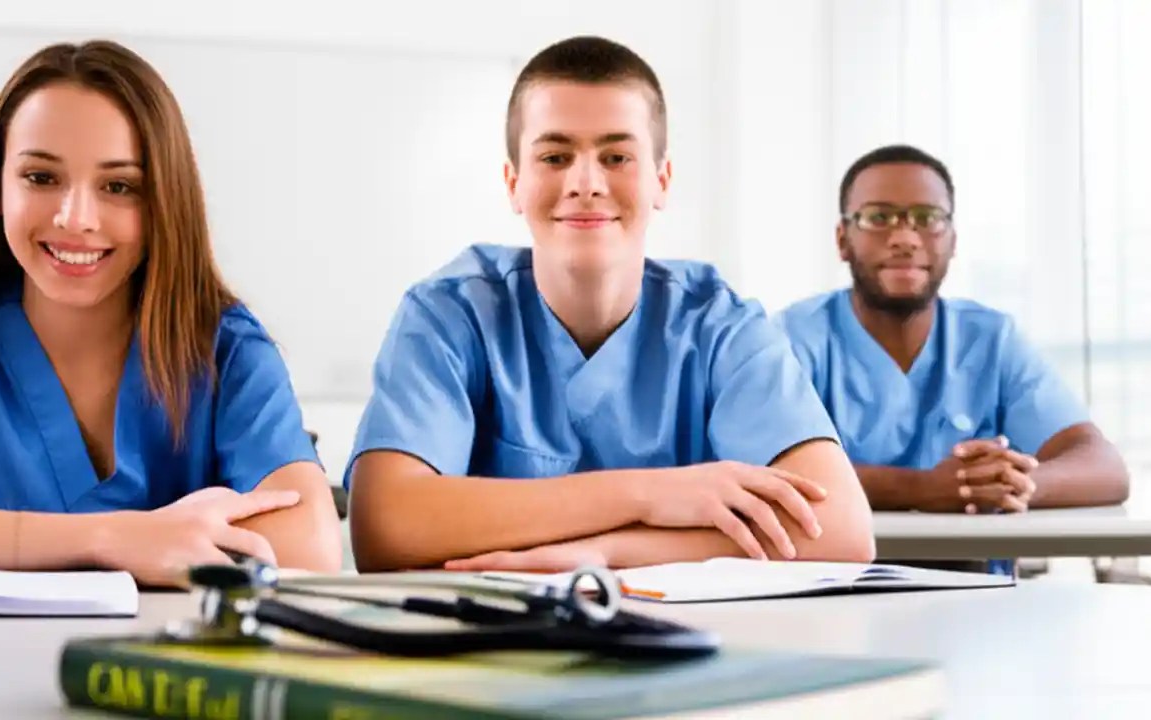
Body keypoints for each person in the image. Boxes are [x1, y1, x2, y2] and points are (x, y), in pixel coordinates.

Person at [345, 35, 874, 573]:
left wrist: (603, 553)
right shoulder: (449, 315)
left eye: (617, 156)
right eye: (555, 156)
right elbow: (386, 527)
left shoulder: (719, 326)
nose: (586, 183)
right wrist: (647, 495)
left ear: (660, 180)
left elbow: (841, 529)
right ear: (514, 184)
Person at [0, 40, 342, 586]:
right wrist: (114, 539)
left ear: (163, 204)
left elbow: (309, 546)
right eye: (41, 177)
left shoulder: (225, 350)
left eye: (119, 187)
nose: (75, 217)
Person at [777, 144, 1129, 519]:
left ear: (953, 240)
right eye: (878, 217)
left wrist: (1010, 482)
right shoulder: (793, 340)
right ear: (842, 239)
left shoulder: (992, 339)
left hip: (982, 578)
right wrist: (921, 489)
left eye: (928, 218)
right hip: (840, 577)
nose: (905, 238)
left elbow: (1105, 468)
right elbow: (763, 470)